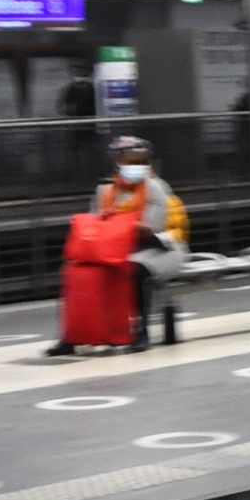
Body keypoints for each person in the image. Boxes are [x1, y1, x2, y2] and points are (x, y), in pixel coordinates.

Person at [47, 135, 187, 355]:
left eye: (140, 161)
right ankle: (71, 337)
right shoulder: (104, 191)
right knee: (76, 272)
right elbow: (94, 227)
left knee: (136, 269)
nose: (136, 166)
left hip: (159, 248)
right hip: (115, 248)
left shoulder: (156, 188)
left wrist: (119, 225)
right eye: (130, 162)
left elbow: (151, 230)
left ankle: (140, 332)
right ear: (117, 162)